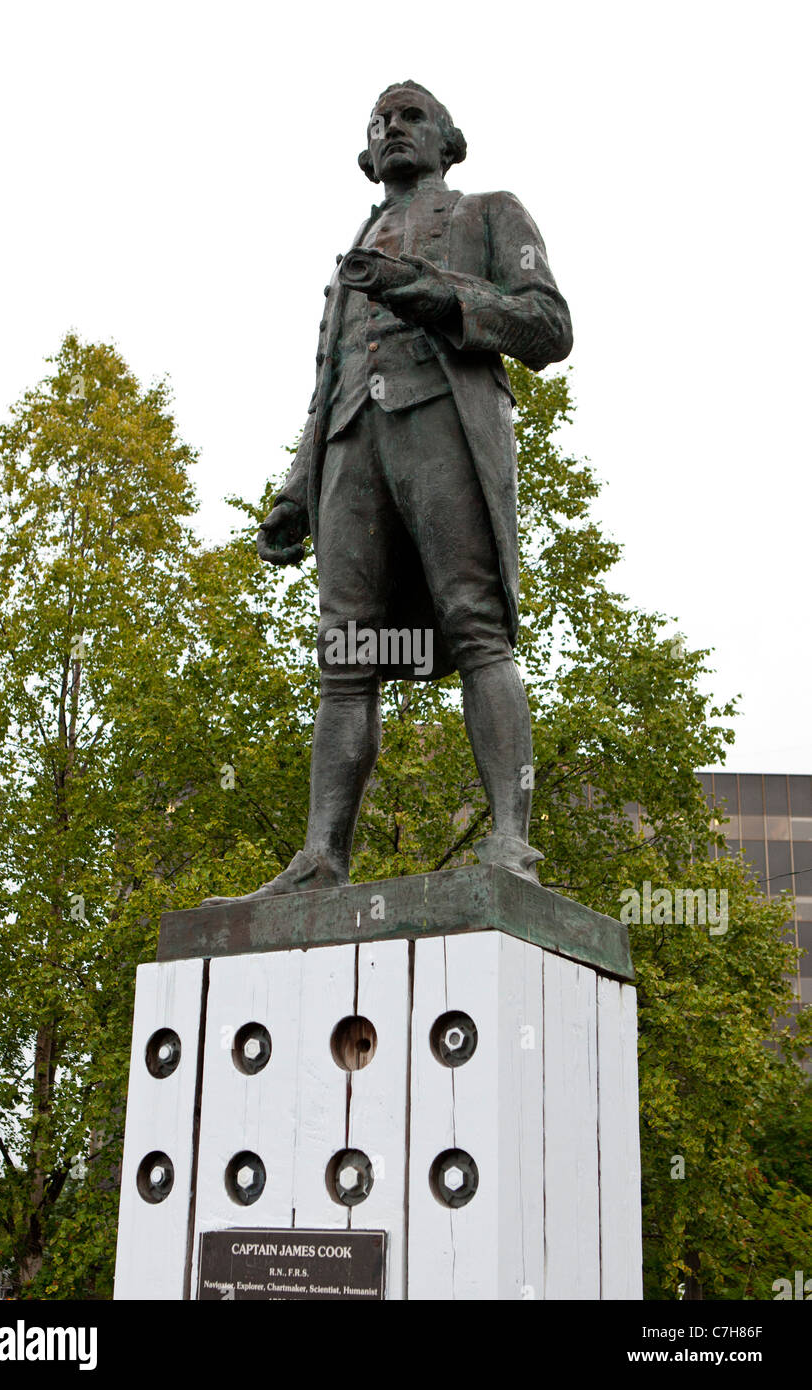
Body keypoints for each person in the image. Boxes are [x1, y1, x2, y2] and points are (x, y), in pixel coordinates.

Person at [216, 80, 572, 902]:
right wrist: (296, 491)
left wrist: (435, 292)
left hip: (442, 424)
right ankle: (321, 856)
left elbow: (549, 325)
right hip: (351, 447)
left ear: (451, 141)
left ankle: (511, 845)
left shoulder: (490, 212)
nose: (395, 128)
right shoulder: (347, 259)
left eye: (413, 116)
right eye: (381, 122)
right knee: (345, 658)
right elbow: (325, 377)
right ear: (366, 156)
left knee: (478, 627)